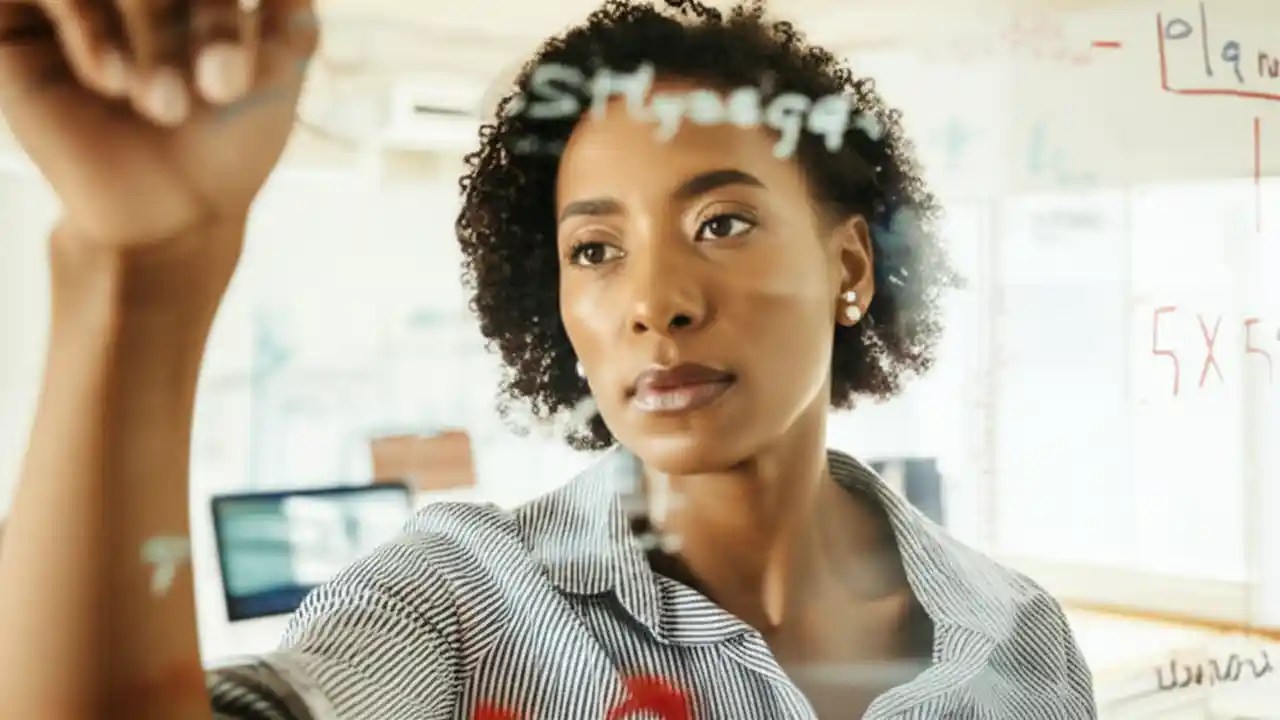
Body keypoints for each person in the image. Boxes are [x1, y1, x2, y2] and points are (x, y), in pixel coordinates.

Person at [0, 0, 1097, 718]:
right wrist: (143, 272)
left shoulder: (1019, 636)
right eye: (595, 248)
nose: (653, 305)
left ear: (848, 265)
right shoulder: (457, 599)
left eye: (720, 221)